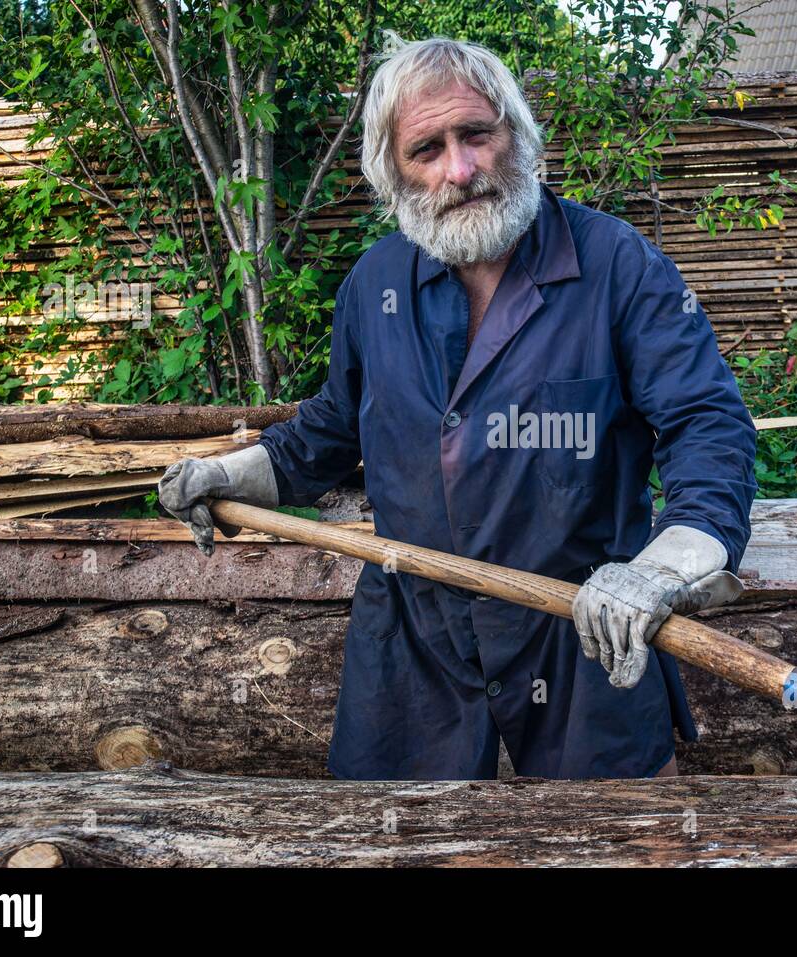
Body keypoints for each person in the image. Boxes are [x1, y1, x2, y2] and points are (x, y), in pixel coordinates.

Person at [159, 35, 757, 780]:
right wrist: (226, 474)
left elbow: (708, 426)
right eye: (428, 149)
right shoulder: (374, 285)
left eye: (477, 134)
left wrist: (659, 570)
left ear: (519, 134)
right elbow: (330, 432)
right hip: (413, 663)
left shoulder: (618, 266)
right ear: (393, 173)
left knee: (617, 847)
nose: (462, 169)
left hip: (585, 646)